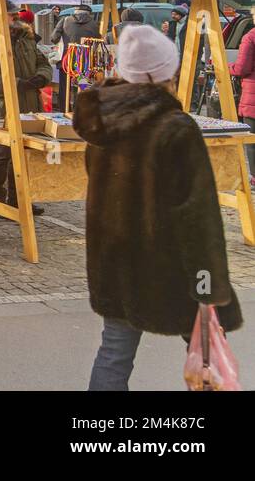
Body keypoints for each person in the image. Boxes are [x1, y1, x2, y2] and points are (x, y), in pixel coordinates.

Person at [75, 25, 242, 390]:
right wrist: (208, 289)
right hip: (173, 271)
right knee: (208, 358)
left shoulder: (102, 122)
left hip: (117, 266)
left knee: (114, 355)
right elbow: (199, 220)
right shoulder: (175, 129)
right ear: (165, 71)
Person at [0, 5, 52, 210]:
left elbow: (43, 63)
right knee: (2, 152)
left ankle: (19, 198)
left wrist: (42, 77)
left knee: (22, 153)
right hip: (3, 103)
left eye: (12, 15)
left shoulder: (26, 37)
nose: (12, 18)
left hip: (29, 102)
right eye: (9, 14)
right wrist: (14, 82)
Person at [54, 3, 101, 111]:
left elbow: (54, 38)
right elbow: (97, 42)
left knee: (64, 89)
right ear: (89, 13)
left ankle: (63, 114)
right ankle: (78, 113)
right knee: (82, 88)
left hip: (66, 62)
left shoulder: (65, 20)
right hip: (84, 64)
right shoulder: (94, 24)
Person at [229, 24, 255, 173]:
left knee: (252, 141)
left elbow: (241, 68)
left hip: (252, 96)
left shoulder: (250, 37)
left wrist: (226, 67)